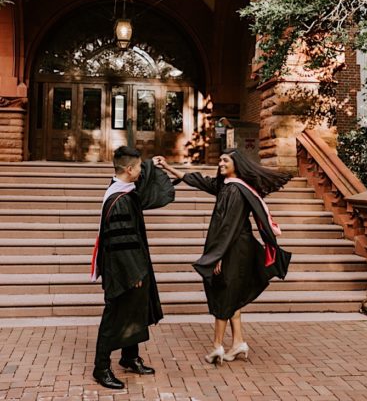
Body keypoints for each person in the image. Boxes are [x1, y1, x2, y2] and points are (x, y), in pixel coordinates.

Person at [155, 149, 292, 364]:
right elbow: (201, 182)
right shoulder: (227, 186)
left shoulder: (235, 191)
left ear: (236, 164)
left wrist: (217, 256)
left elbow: (228, 226)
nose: (220, 163)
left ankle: (216, 346)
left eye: (224, 160)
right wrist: (168, 167)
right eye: (219, 159)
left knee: (222, 296)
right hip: (232, 248)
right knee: (232, 295)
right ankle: (238, 342)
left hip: (233, 249)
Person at [90, 146, 175, 389]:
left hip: (131, 265)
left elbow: (142, 176)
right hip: (122, 268)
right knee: (115, 314)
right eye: (138, 167)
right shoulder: (120, 200)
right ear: (129, 169)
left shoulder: (123, 189)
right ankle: (101, 368)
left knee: (134, 310)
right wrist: (134, 272)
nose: (141, 171)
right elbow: (121, 240)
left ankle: (129, 357)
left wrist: (151, 163)